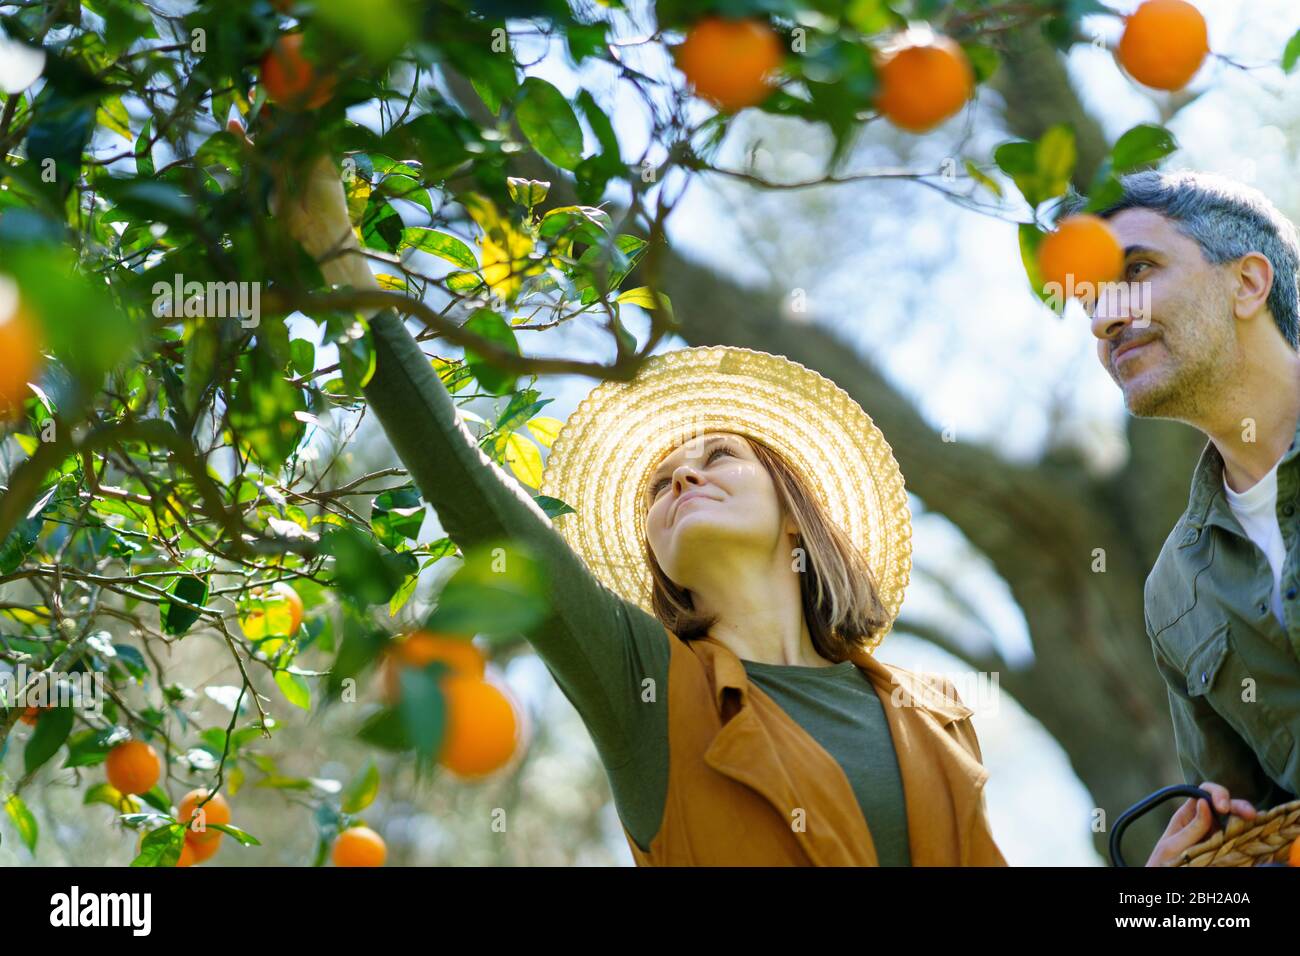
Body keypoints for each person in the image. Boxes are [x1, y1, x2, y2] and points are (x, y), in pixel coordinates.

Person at [271, 140, 1006, 866]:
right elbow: (481, 505)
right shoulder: (647, 690)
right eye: (660, 485)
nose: (682, 480)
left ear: (795, 515)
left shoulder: (934, 707)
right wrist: (341, 261)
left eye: (719, 458)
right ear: (656, 555)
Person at [1079, 169, 1300, 866]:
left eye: (1136, 270)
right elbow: (1254, 832)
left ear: (1248, 283)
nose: (1103, 319)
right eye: (1088, 299)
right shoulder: (1174, 591)